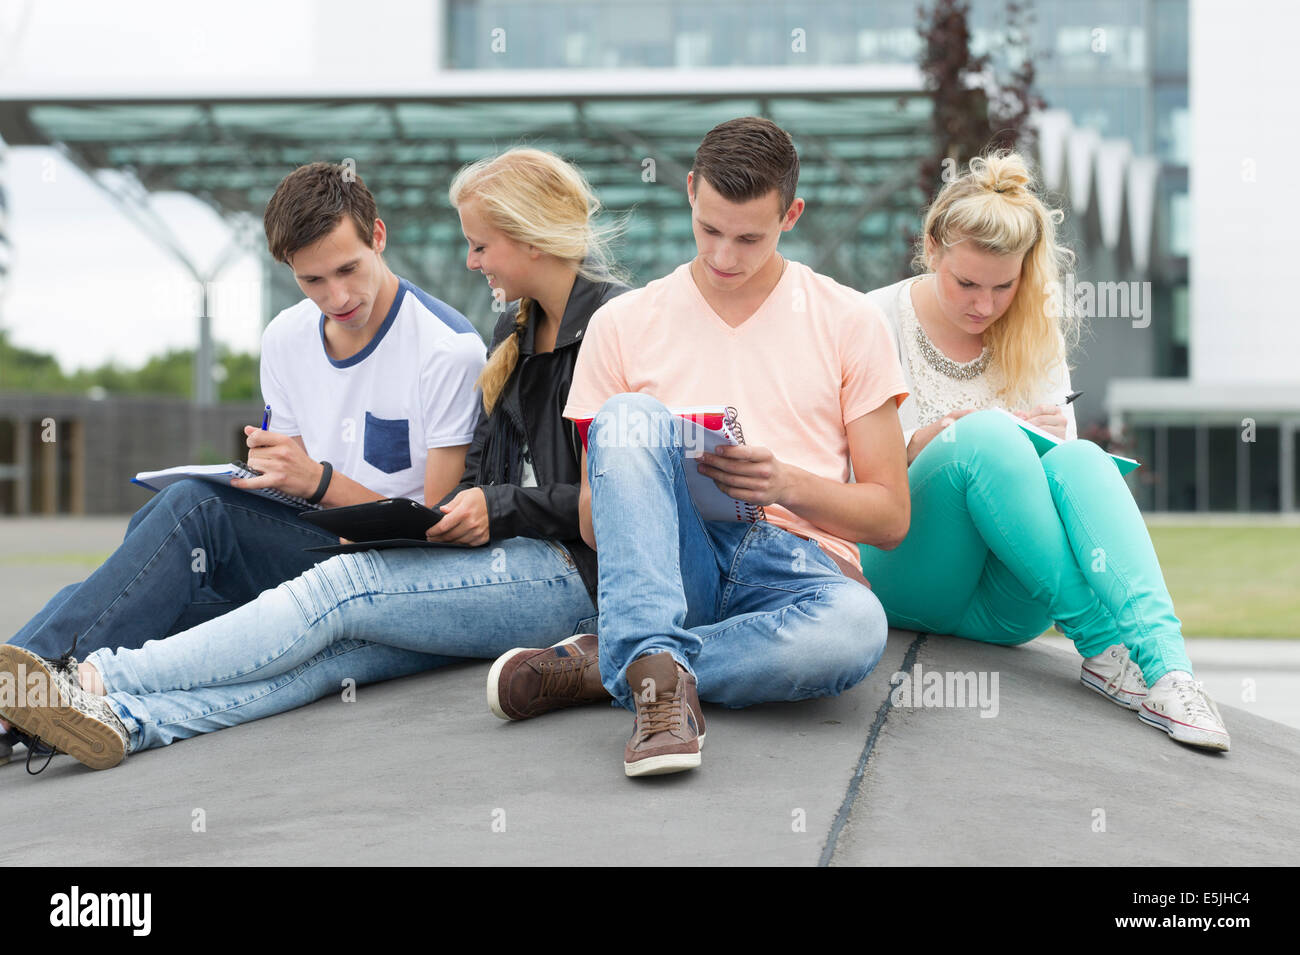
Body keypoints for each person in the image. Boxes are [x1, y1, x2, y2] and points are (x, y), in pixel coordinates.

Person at [0, 147, 628, 772]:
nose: (336, 296)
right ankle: (90, 714)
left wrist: (325, 481)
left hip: (464, 564)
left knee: (222, 542)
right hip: (383, 548)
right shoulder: (501, 335)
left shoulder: (488, 342)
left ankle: (70, 687)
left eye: (481, 245)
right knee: (178, 581)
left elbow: (476, 515)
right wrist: (278, 479)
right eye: (312, 280)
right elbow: (459, 490)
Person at [506, 116, 912, 777]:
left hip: (795, 573)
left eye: (750, 238)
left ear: (793, 214)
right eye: (710, 230)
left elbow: (891, 518)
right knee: (632, 416)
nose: (725, 256)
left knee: (857, 630)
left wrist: (784, 485)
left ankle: (625, 663)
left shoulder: (850, 321)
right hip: (670, 563)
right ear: (691, 191)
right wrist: (656, 472)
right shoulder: (621, 325)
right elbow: (591, 523)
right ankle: (656, 681)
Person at [860, 151, 1230, 751]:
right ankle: (1103, 643)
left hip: (1007, 608)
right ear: (932, 248)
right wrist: (931, 438)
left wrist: (1054, 437)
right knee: (980, 435)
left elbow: (1061, 484)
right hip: (906, 578)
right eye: (966, 283)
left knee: (1082, 458)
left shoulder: (1033, 329)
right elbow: (836, 480)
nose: (984, 304)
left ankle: (1168, 671)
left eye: (1003, 286)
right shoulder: (869, 317)